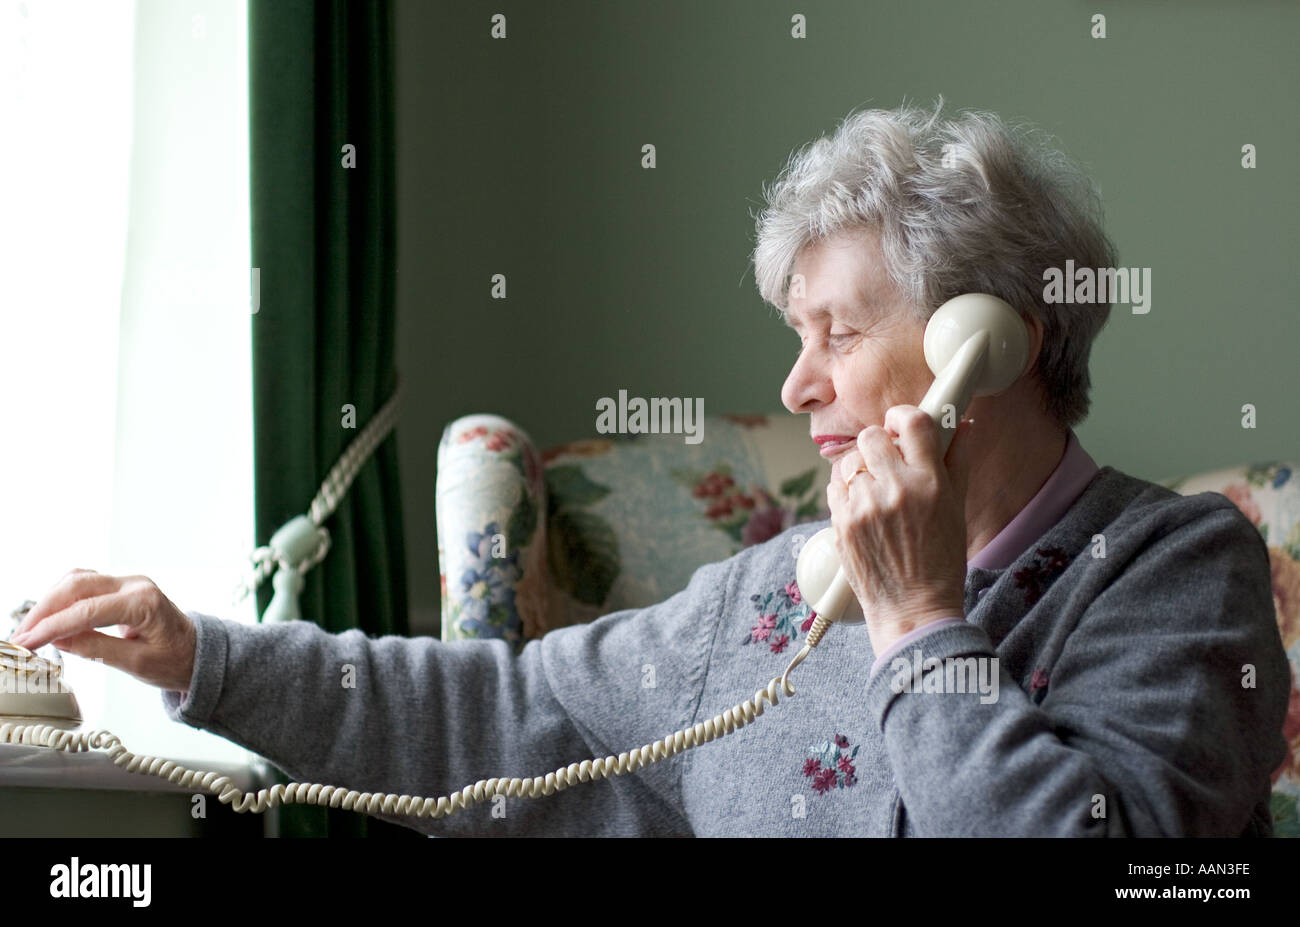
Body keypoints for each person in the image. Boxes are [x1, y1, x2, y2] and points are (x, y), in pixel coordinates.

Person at [11, 101, 1289, 836]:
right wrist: (202, 657)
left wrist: (917, 621)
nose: (797, 387)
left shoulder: (1180, 573)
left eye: (838, 335)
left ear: (991, 342)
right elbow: (500, 716)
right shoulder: (768, 600)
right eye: (796, 337)